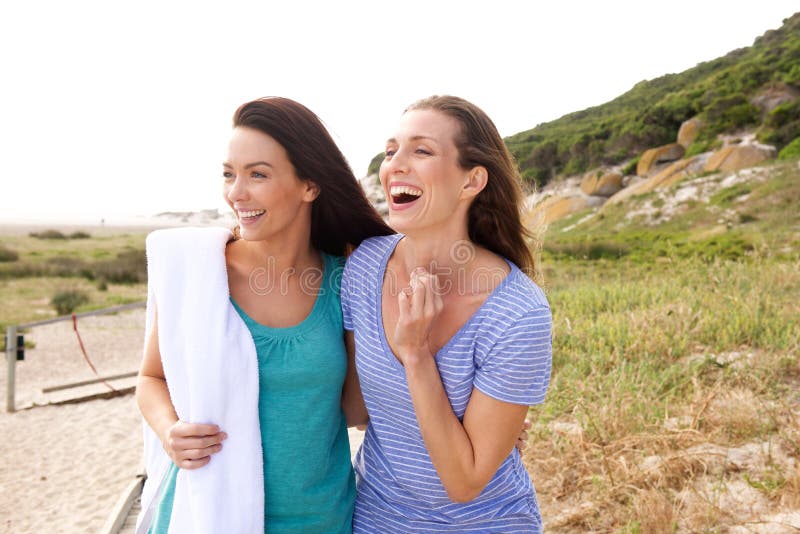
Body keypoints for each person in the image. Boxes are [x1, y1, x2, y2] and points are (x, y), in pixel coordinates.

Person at [135, 96, 393, 533]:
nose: (236, 192)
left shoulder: (348, 280)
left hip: (320, 520)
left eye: (258, 174)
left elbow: (356, 412)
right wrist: (169, 431)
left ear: (310, 186)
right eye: (229, 174)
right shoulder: (198, 272)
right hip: (208, 515)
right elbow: (150, 378)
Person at [341, 95, 553, 532]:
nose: (395, 165)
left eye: (421, 150)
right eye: (390, 151)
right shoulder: (363, 267)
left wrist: (416, 356)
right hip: (375, 519)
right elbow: (354, 410)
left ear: (472, 180)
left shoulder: (518, 312)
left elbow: (464, 481)